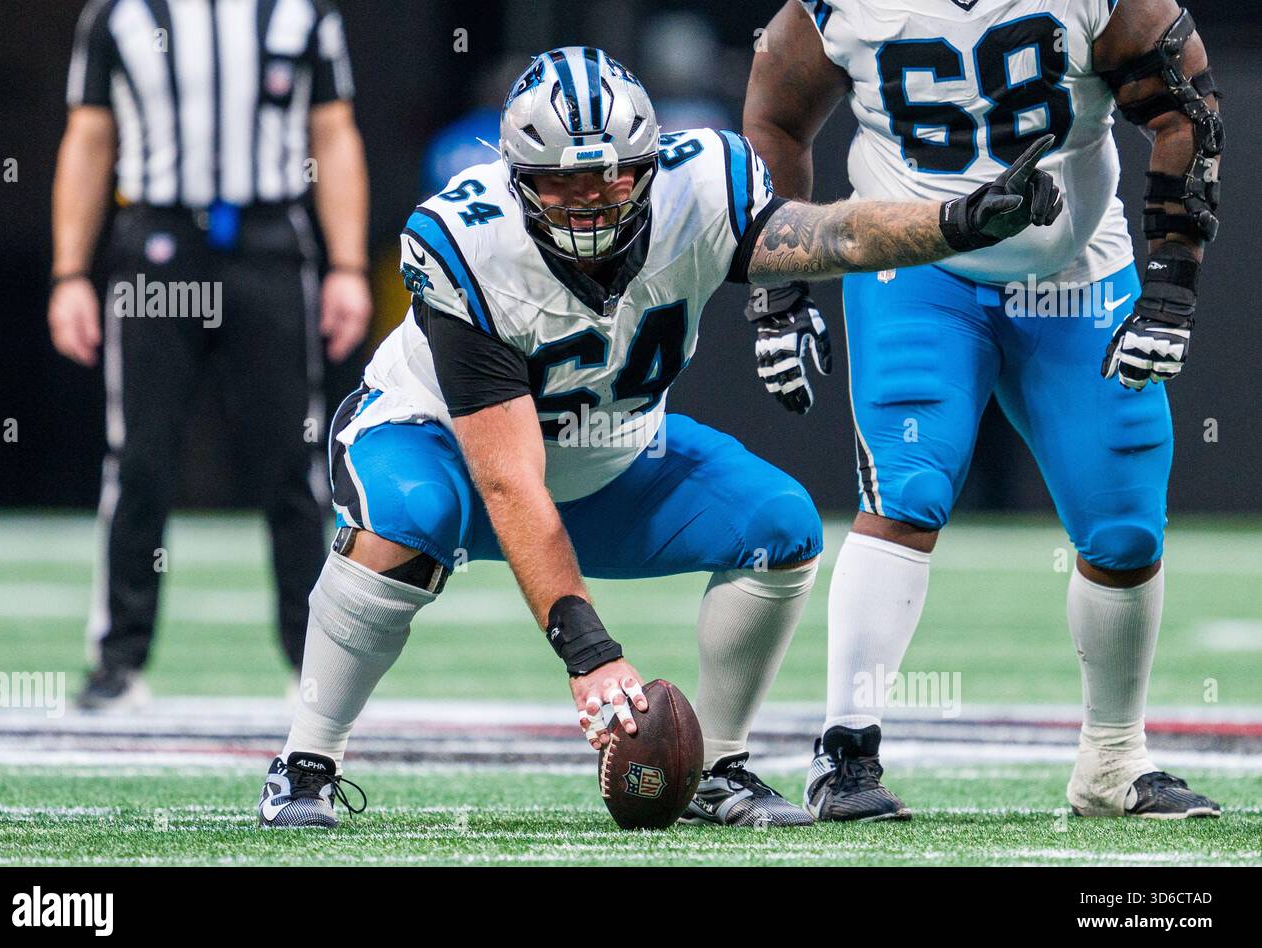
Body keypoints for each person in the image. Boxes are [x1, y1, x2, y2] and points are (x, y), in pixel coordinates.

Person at [256, 46, 1060, 828]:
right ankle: (304, 762)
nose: (591, 197)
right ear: (517, 179)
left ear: (650, 161)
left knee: (781, 526)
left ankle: (716, 767)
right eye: (563, 180)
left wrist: (956, 223)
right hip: (440, 446)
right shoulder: (468, 240)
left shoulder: (702, 184)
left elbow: (839, 237)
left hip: (611, 454)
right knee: (412, 514)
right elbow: (506, 480)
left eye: (611, 173)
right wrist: (590, 652)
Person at [743, 0, 1222, 819]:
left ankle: (1112, 758)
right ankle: (845, 751)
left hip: (1075, 264)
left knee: (1124, 525)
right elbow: (774, 122)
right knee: (905, 491)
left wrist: (1171, 289)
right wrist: (776, 288)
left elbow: (1186, 113)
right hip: (915, 262)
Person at [49, 0, 372, 708]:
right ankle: (119, 660)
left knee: (293, 462)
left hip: (269, 246)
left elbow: (333, 131)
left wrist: (347, 263)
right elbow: (90, 136)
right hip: (159, 245)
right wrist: (70, 273)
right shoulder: (120, 13)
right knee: (140, 455)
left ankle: (312, 663)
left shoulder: (300, 12)